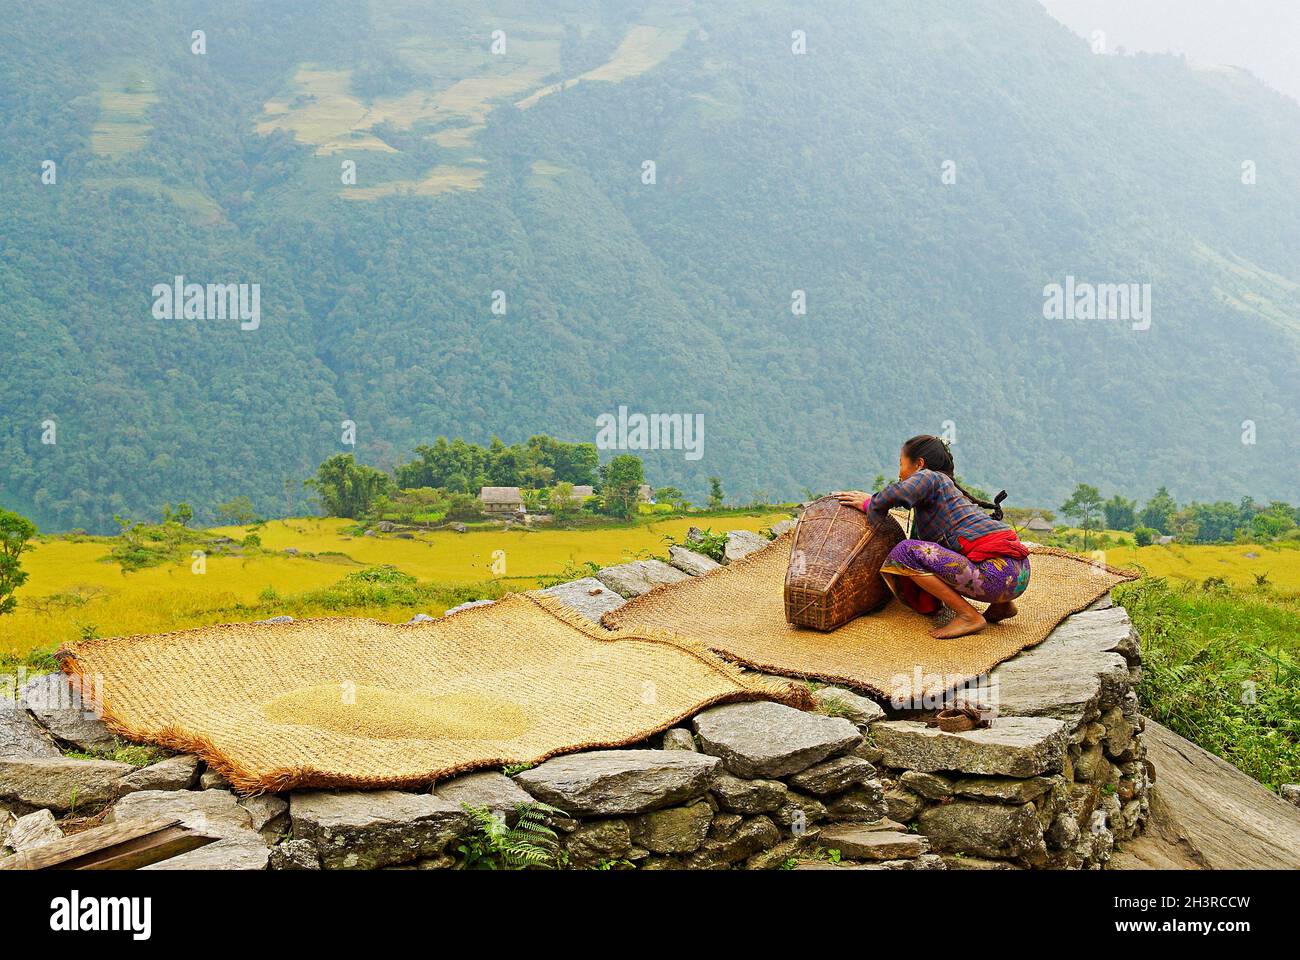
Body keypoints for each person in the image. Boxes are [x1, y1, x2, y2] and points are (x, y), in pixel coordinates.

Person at [832, 435, 1030, 639]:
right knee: (957, 548)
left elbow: (900, 491)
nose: (899, 472)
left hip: (994, 578)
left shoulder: (929, 477)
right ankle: (1003, 606)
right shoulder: (950, 494)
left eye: (901, 464)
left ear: (919, 465)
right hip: (1019, 574)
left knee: (904, 552)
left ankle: (968, 616)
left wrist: (870, 502)